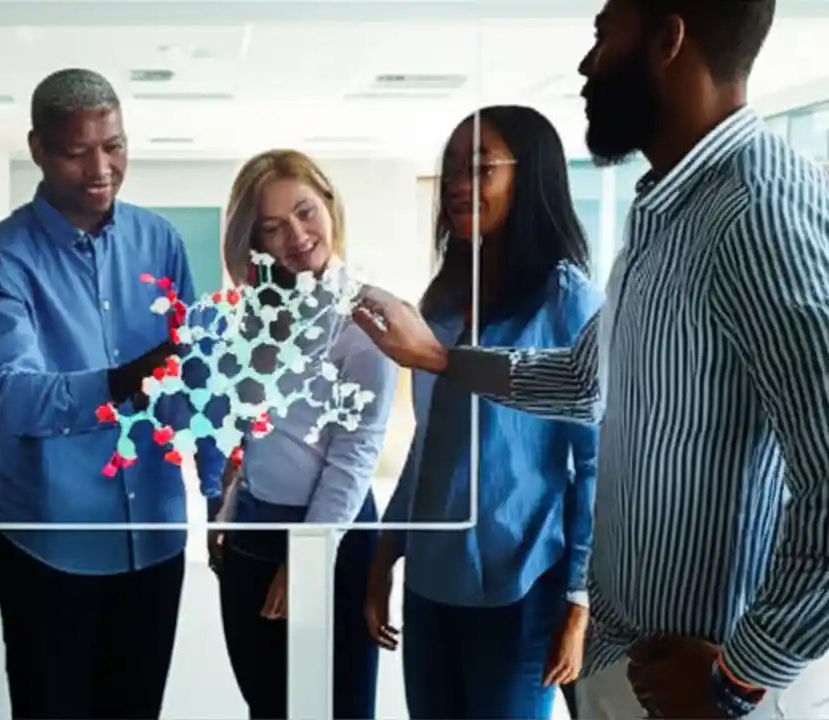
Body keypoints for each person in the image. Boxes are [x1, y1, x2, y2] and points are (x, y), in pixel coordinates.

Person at [353, 1, 829, 717]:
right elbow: (583, 380)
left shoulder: (757, 212)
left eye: (606, 34)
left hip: (703, 681)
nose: (585, 63)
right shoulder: (664, 215)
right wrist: (446, 362)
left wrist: (742, 674)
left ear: (668, 39)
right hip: (627, 663)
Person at [0, 68, 226, 719]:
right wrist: (122, 380)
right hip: (52, 547)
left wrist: (219, 487)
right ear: (38, 149)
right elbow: (11, 396)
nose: (101, 166)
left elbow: (188, 383)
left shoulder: (159, 241)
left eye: (113, 144)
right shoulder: (1, 258)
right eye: (76, 150)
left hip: (155, 537)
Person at [360, 106, 600, 720]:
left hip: (525, 585)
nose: (460, 185)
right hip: (433, 583)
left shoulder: (567, 298)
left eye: (481, 167)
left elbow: (597, 461)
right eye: (451, 169)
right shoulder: (440, 299)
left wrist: (579, 599)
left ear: (532, 177)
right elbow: (429, 443)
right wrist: (386, 551)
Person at [207, 149, 396, 719]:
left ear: (330, 207)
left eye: (305, 212)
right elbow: (260, 435)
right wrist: (229, 507)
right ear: (254, 241)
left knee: (338, 708)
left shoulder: (364, 318)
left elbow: (353, 456)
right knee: (267, 706)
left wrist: (308, 558)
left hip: (331, 538)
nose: (296, 234)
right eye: (272, 226)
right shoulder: (256, 317)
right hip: (253, 532)